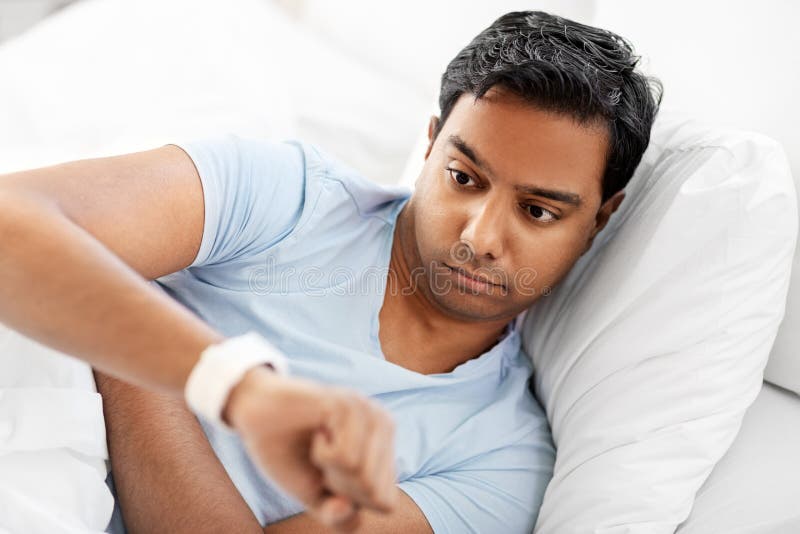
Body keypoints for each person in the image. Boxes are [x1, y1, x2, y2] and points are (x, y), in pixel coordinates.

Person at [0, 10, 661, 534]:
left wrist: (121, 338)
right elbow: (10, 223)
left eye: (539, 211)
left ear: (598, 220)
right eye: (464, 178)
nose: (481, 237)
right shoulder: (288, 196)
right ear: (429, 146)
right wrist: (238, 390)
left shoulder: (500, 463)